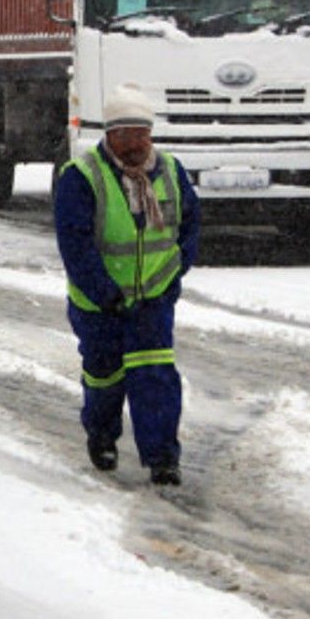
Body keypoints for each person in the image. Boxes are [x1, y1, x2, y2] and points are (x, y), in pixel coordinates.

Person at [53, 85, 201, 485]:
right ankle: (101, 435)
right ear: (110, 136)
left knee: (155, 375)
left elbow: (188, 227)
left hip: (153, 299)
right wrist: (105, 294)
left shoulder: (170, 170)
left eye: (142, 133)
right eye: (127, 134)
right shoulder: (81, 177)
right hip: (99, 304)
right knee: (105, 374)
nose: (136, 143)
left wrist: (172, 275)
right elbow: (75, 244)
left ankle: (162, 459)